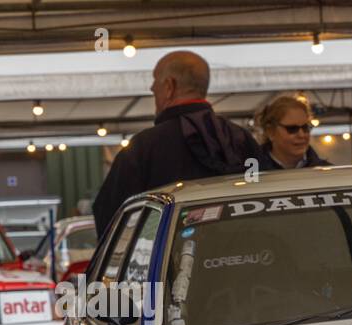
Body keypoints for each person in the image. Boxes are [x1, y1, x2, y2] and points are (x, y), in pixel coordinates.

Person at [92, 50, 263, 235]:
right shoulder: (241, 139)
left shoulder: (143, 148)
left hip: (169, 262)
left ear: (169, 86)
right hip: (242, 255)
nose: (151, 89)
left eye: (155, 82)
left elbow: (111, 220)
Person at [255, 94, 323, 170]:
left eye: (305, 128)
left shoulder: (326, 173)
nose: (301, 135)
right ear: (270, 132)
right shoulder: (251, 173)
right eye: (292, 129)